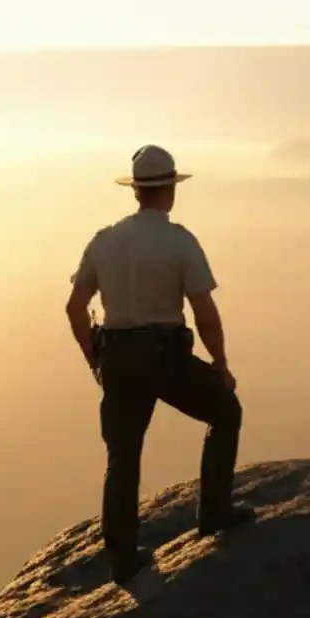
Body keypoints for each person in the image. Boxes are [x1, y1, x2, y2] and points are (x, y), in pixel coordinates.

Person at [66, 145, 254, 585]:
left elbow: (75, 308)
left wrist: (95, 358)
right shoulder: (179, 241)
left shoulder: (104, 240)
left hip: (117, 358)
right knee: (226, 412)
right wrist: (220, 365)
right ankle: (214, 512)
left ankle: (122, 558)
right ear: (169, 189)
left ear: (136, 192)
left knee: (123, 456)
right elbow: (205, 315)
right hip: (164, 357)